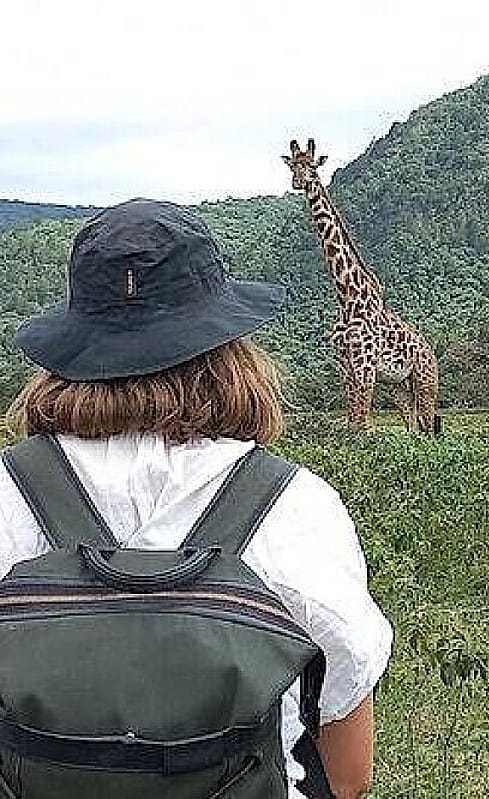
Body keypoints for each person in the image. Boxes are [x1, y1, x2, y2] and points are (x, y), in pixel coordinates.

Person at [0, 198, 392, 799]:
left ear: (71, 347)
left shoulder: (7, 492)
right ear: (229, 351)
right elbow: (350, 772)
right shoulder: (294, 507)